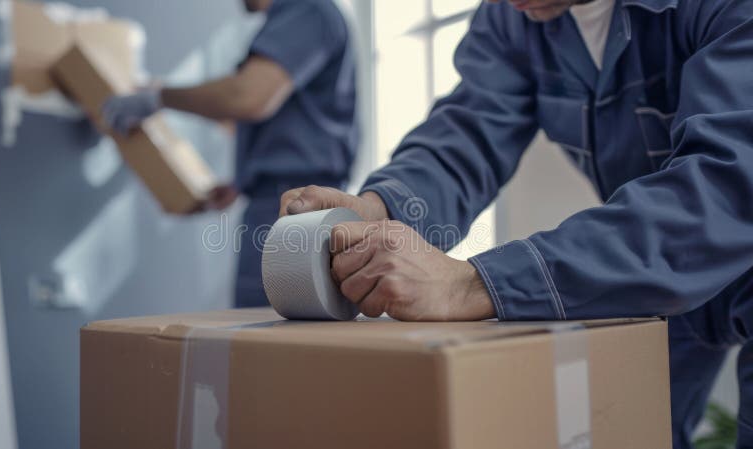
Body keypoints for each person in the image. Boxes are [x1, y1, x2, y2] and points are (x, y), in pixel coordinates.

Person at [279, 0, 753, 447]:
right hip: (650, 273)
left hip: (709, 244)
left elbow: (728, 187)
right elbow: (467, 134)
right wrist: (379, 210)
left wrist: (471, 285)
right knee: (619, 429)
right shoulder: (512, 18)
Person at [102, 0, 358, 308]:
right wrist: (243, 180)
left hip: (295, 210)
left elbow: (247, 97)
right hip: (286, 204)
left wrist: (159, 97)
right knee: (269, 338)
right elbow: (278, 116)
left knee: (268, 343)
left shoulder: (308, 10)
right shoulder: (303, 15)